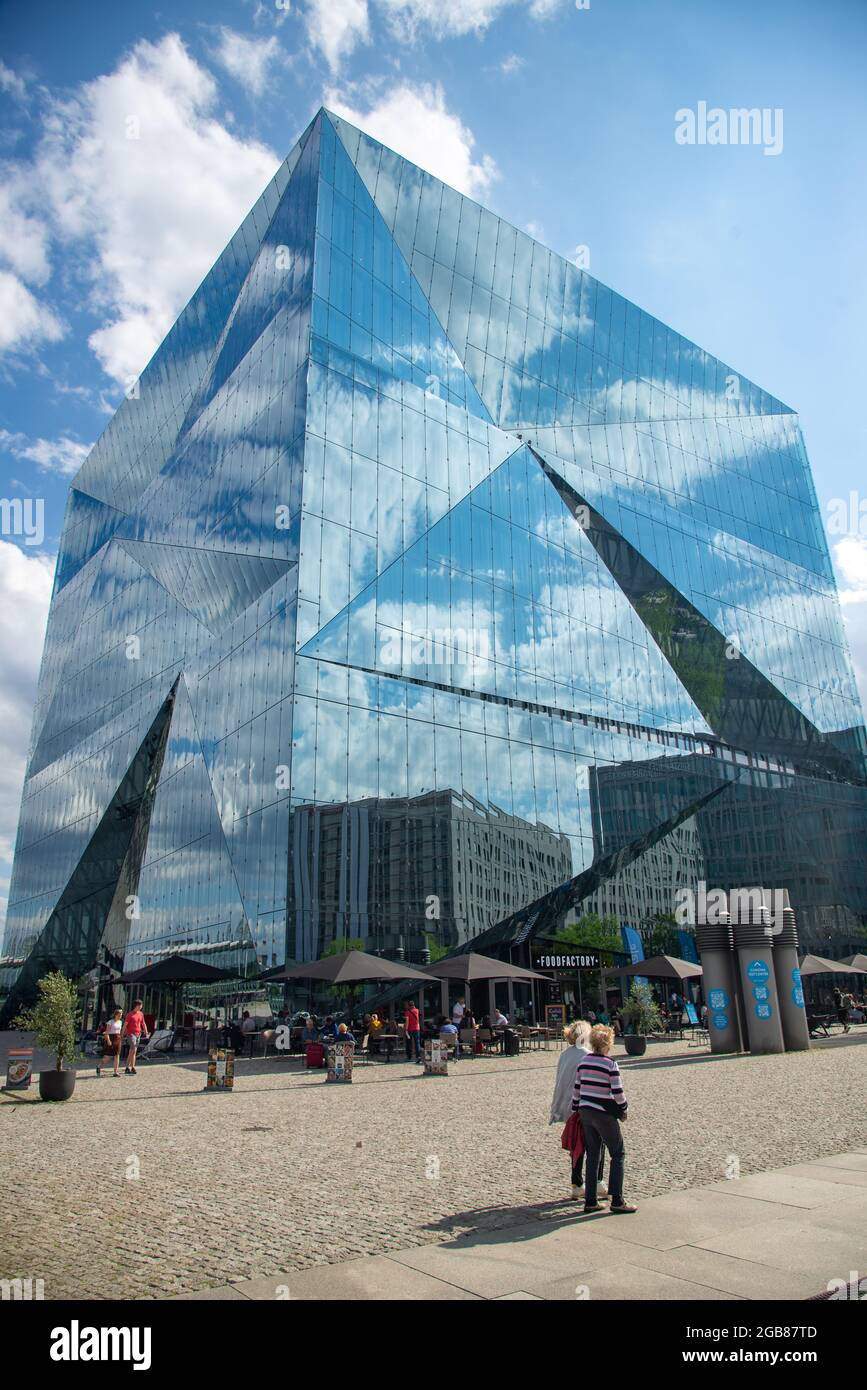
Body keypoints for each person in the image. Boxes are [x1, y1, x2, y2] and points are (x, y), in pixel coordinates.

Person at [573, 1023, 636, 1215]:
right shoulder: (610, 1064)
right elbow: (618, 1093)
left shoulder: (583, 1062)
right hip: (603, 1113)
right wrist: (624, 1109)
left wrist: (576, 1110)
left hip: (586, 1112)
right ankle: (617, 1199)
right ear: (608, 1043)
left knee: (593, 1154)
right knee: (617, 1153)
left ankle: (590, 1200)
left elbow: (577, 1090)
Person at [549, 1020, 606, 1199]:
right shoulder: (588, 1055)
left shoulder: (564, 1055)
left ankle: (576, 1183)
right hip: (586, 1106)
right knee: (596, 1144)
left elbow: (559, 1080)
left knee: (577, 1145)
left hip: (568, 1106)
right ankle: (597, 1182)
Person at [122, 999, 150, 1075]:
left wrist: (146, 1031)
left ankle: (131, 1067)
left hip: (138, 1034)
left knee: (133, 1051)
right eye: (141, 1005)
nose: (141, 1006)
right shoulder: (130, 1014)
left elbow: (143, 1023)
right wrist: (122, 1034)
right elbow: (125, 1025)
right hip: (131, 1034)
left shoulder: (141, 1014)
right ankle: (128, 1067)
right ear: (137, 1005)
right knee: (133, 1048)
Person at [97, 1008, 124, 1077]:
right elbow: (107, 1032)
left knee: (117, 1055)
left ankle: (115, 1072)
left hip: (117, 1038)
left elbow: (120, 1031)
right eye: (120, 1014)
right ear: (116, 1014)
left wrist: (121, 1037)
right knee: (108, 1056)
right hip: (111, 1038)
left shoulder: (120, 1022)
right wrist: (108, 1040)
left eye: (121, 1014)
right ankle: (99, 1066)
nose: (121, 1015)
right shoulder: (110, 1022)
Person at [403, 998, 422, 1063]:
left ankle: (409, 1056)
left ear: (409, 1005)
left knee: (409, 1043)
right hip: (417, 1028)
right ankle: (418, 1056)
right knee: (417, 1043)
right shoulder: (417, 1010)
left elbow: (407, 1021)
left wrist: (405, 1029)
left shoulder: (407, 1012)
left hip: (410, 1029)